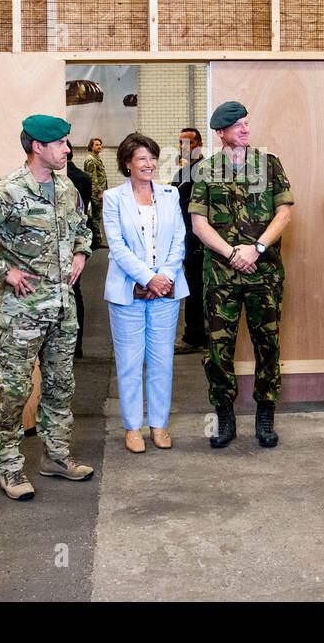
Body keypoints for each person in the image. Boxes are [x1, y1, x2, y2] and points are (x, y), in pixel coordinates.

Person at [0, 115, 94, 501]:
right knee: (14, 390)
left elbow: (83, 227)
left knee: (61, 386)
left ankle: (56, 456)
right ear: (38, 147)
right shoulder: (9, 192)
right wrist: (4, 272)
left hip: (62, 309)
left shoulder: (66, 189)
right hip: (22, 313)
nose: (68, 149)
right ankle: (10, 467)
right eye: (62, 143)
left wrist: (81, 252)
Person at [190, 101, 294, 449]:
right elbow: (198, 223)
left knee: (268, 343)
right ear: (221, 133)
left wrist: (257, 249)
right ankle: (224, 416)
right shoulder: (205, 169)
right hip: (221, 274)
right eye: (237, 125)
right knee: (218, 348)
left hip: (263, 272)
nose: (245, 129)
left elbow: (284, 214)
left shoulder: (269, 164)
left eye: (247, 123)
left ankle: (265, 414)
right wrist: (233, 253)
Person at [102, 133, 189, 453]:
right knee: (129, 362)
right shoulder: (113, 198)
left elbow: (179, 238)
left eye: (152, 157)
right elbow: (117, 246)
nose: (149, 163)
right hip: (128, 292)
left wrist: (164, 276)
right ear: (127, 164)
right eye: (141, 158)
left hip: (166, 291)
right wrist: (148, 277)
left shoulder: (170, 195)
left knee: (162, 361)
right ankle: (132, 427)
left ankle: (159, 424)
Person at [172, 127, 206, 354]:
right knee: (194, 287)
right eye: (180, 143)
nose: (183, 147)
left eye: (188, 143)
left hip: (197, 240)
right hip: (186, 237)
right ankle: (197, 335)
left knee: (195, 289)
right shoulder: (186, 172)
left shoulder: (202, 171)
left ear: (198, 145)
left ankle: (194, 337)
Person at [65, 143, 95, 358]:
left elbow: (82, 219)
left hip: (72, 247)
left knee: (73, 292)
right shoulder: (83, 178)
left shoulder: (69, 184)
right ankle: (77, 346)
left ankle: (71, 345)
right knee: (76, 292)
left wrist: (81, 251)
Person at [83, 138, 109, 250]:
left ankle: (97, 240)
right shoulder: (91, 160)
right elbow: (92, 178)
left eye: (100, 145)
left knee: (97, 216)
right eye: (97, 145)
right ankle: (97, 241)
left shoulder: (96, 159)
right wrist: (99, 192)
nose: (99, 147)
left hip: (100, 191)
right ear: (91, 146)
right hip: (96, 193)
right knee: (96, 217)